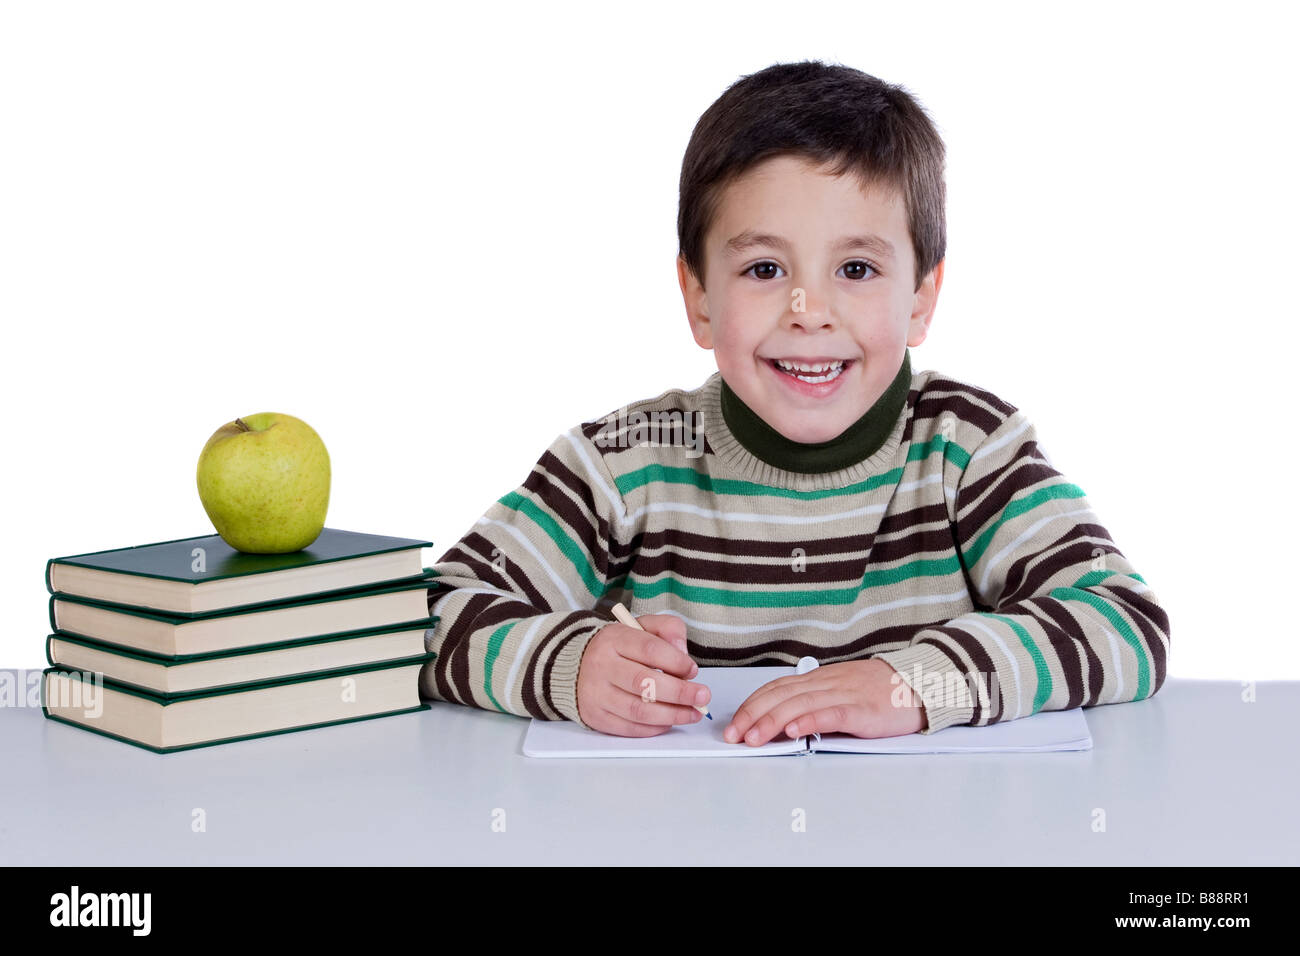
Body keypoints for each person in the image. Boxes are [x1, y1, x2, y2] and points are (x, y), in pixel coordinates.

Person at [419, 59, 1169, 744]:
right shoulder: (622, 461)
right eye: (766, 267)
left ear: (921, 299)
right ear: (700, 299)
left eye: (856, 267)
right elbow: (425, 617)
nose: (809, 309)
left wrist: (919, 682)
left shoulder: (966, 448)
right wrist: (571, 667)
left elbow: (1125, 624)